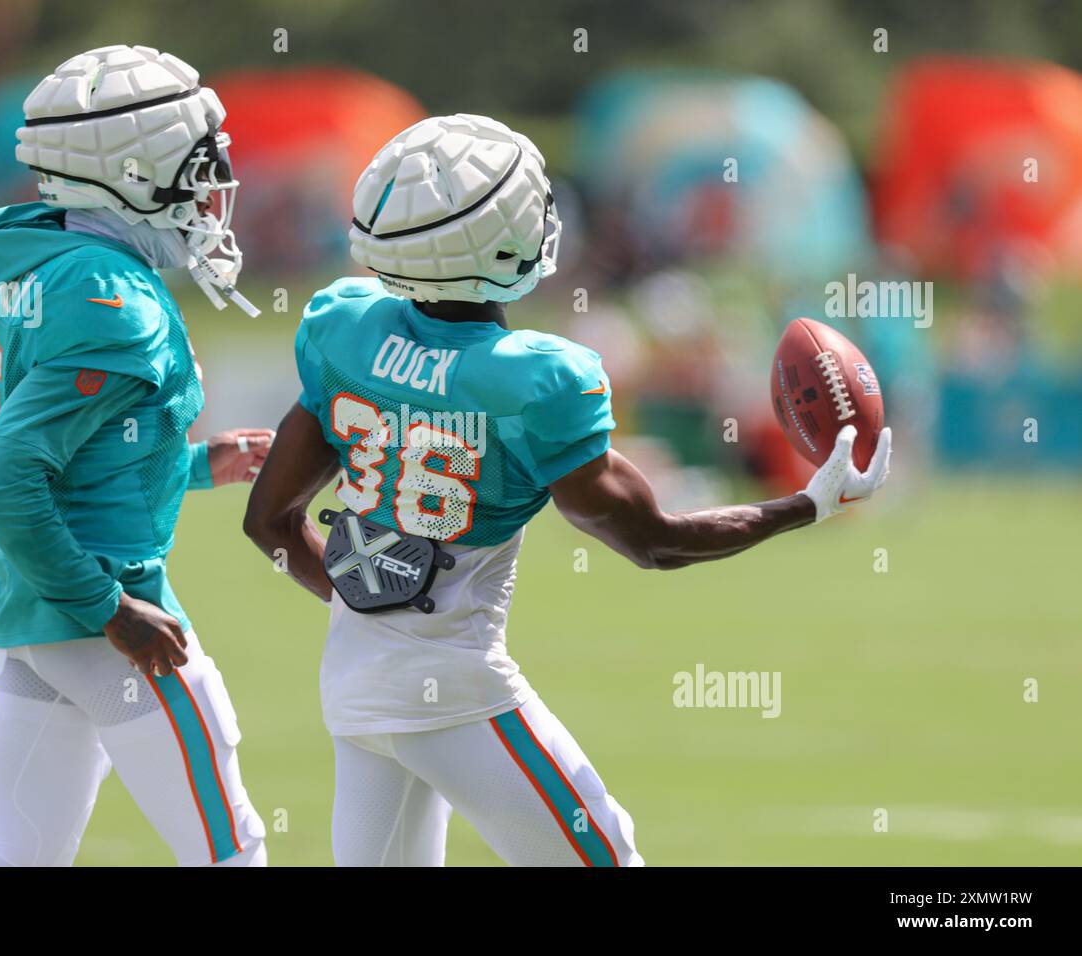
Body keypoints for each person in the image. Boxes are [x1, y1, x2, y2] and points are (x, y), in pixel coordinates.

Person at [243, 113, 891, 867]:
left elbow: (269, 522)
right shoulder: (535, 379)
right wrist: (807, 504)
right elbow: (656, 542)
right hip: (456, 692)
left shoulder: (340, 326)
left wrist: (369, 594)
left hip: (352, 688)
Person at [0, 45, 270, 867]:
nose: (212, 194)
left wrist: (200, 463)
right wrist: (110, 607)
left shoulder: (55, 260)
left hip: (35, 616)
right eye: (193, 169)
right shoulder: (112, 299)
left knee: (18, 861)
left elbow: (85, 450)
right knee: (232, 854)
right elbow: (4, 479)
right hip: (98, 614)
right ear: (132, 174)